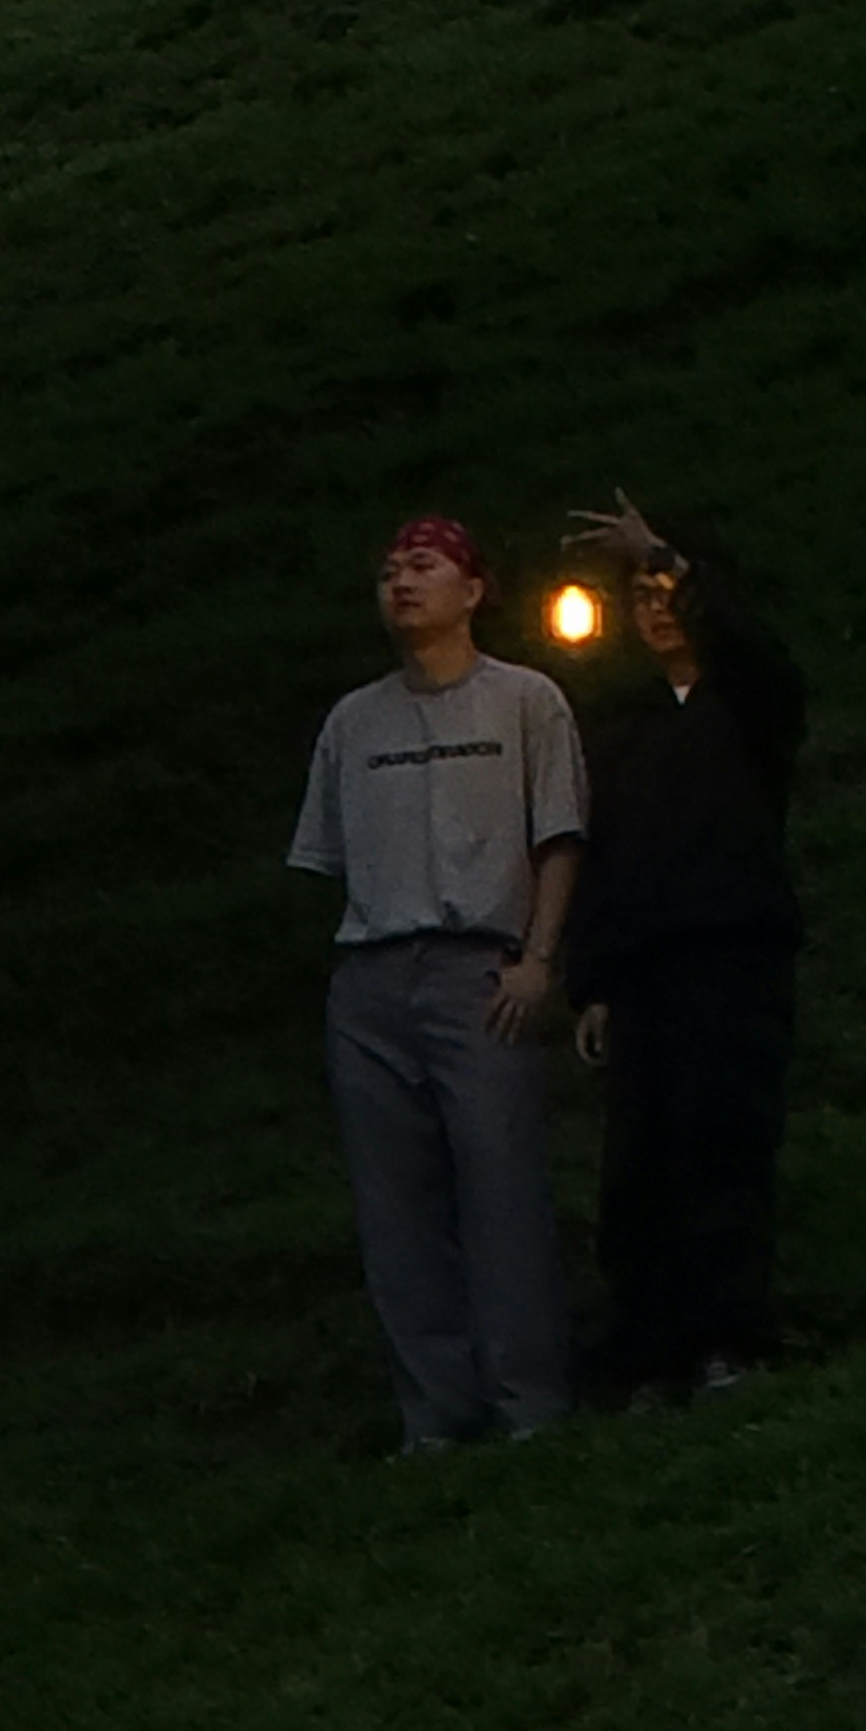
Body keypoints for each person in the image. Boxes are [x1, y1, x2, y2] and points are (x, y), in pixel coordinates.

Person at [280, 513, 590, 1452]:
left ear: (472, 589)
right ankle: (437, 1413)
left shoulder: (526, 702)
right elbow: (326, 856)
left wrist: (539, 960)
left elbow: (560, 838)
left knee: (501, 1189)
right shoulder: (354, 721)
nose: (401, 583)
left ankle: (528, 1403)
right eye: (388, 571)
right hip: (373, 971)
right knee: (396, 1207)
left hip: (478, 966)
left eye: (422, 566)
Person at [554, 503, 813, 1398]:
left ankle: (728, 1340)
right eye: (640, 593)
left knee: (721, 1145)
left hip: (730, 952)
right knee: (638, 1165)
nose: (656, 605)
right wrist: (592, 982)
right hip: (643, 968)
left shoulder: (749, 705)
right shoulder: (622, 726)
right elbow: (602, 856)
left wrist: (664, 553)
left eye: (669, 589)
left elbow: (751, 646)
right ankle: (647, 1350)